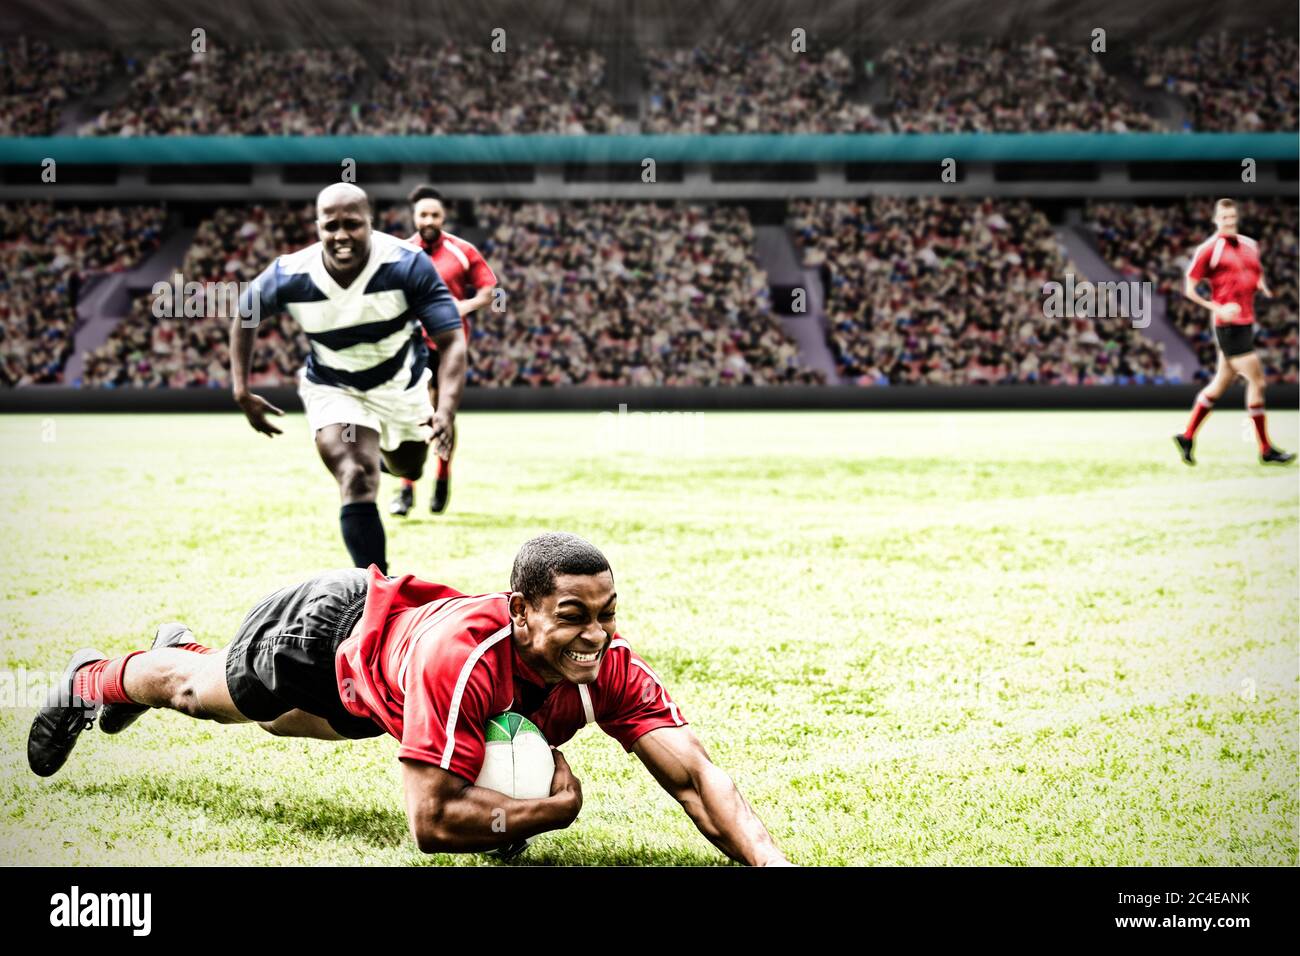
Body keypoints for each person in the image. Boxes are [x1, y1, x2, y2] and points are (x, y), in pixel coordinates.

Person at [27, 533, 791, 865]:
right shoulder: (463, 662)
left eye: (607, 612)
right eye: (572, 616)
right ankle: (92, 678)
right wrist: (550, 813)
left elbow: (695, 776)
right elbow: (429, 825)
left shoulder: (610, 666)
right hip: (323, 637)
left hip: (381, 686)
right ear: (520, 610)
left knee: (284, 730)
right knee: (203, 697)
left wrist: (771, 863)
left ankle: (180, 652)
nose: (596, 635)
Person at [229, 183, 469, 572]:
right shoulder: (291, 272)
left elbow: (452, 339)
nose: (341, 235)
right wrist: (241, 390)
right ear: (318, 226)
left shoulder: (407, 264)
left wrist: (445, 409)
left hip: (400, 387)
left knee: (411, 466)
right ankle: (378, 592)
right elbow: (246, 311)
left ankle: (385, 455)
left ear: (370, 223)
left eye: (352, 224)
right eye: (331, 225)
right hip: (333, 386)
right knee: (355, 475)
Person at [390, 185, 498, 517]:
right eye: (423, 214)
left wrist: (460, 308)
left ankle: (441, 476)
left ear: (443, 217)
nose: (429, 219)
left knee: (442, 412)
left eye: (435, 214)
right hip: (414, 345)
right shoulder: (402, 252)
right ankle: (407, 488)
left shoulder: (462, 250)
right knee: (415, 412)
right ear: (415, 217)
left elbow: (489, 290)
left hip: (451, 346)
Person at [1174, 198, 1294, 466]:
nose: (1228, 222)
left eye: (1232, 217)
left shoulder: (1250, 245)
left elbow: (1253, 271)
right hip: (1228, 326)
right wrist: (1216, 307)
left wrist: (1261, 285)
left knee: (1219, 385)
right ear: (1216, 220)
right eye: (1224, 218)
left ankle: (1187, 435)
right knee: (1258, 381)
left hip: (1246, 322)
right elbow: (1190, 289)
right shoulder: (1209, 250)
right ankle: (1265, 449)